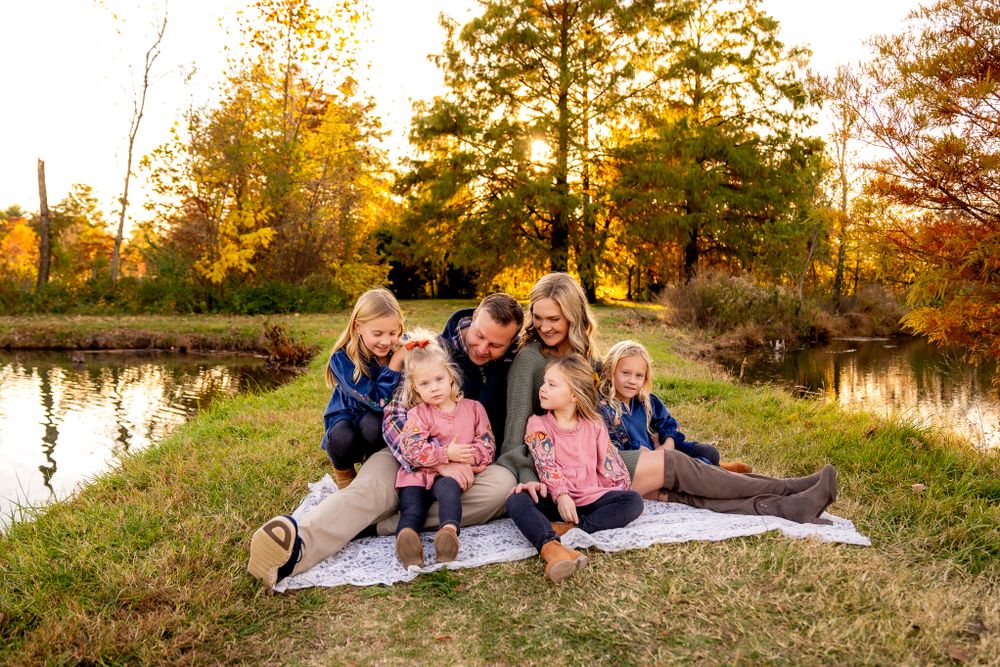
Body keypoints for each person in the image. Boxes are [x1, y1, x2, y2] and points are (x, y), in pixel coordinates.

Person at [497, 272, 839, 527]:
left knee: (687, 492)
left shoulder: (584, 355)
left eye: (553, 319)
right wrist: (540, 485)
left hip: (603, 458)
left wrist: (652, 428)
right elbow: (514, 439)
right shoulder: (531, 360)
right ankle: (790, 488)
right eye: (538, 318)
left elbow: (615, 399)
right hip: (576, 473)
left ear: (574, 315)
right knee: (676, 467)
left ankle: (791, 505)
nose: (544, 326)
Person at [248, 294, 523, 589]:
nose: (483, 348)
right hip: (408, 456)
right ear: (475, 316)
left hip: (466, 467)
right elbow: (394, 416)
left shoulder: (511, 366)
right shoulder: (429, 351)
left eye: (496, 345)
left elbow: (489, 435)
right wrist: (437, 459)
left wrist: (468, 458)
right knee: (368, 491)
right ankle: (296, 548)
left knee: (502, 487)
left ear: (510, 343)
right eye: (480, 336)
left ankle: (383, 525)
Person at [506, 355, 644, 583]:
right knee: (516, 499)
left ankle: (569, 530)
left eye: (552, 384)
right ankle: (550, 545)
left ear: (573, 395)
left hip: (590, 498)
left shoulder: (594, 425)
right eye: (544, 382)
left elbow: (610, 464)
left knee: (633, 500)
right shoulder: (538, 423)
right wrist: (561, 495)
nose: (543, 389)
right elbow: (545, 464)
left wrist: (616, 491)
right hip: (556, 498)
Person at [392, 330, 496, 569]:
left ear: (450, 376)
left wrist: (467, 459)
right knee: (412, 506)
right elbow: (410, 449)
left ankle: (447, 533)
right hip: (417, 476)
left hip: (448, 478)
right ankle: (408, 540)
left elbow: (487, 444)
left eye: (439, 379)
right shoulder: (418, 414)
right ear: (416, 388)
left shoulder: (473, 409)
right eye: (425, 384)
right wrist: (445, 454)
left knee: (450, 490)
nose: (434, 388)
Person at [597, 340, 752, 473]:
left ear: (645, 378)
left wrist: (668, 443)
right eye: (625, 373)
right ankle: (719, 472)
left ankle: (714, 467)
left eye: (639, 376)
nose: (632, 380)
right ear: (611, 372)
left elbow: (669, 423)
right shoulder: (607, 409)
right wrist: (657, 452)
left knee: (709, 452)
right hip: (646, 464)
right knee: (687, 467)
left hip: (664, 451)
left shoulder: (645, 401)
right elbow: (617, 451)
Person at [319, 288, 406, 488]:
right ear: (358, 327)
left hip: (377, 422)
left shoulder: (398, 349)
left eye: (392, 333)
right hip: (347, 416)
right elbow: (377, 401)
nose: (386, 341)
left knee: (374, 426)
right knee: (341, 438)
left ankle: (373, 470)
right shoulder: (342, 359)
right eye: (377, 333)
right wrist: (394, 366)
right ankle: (345, 477)